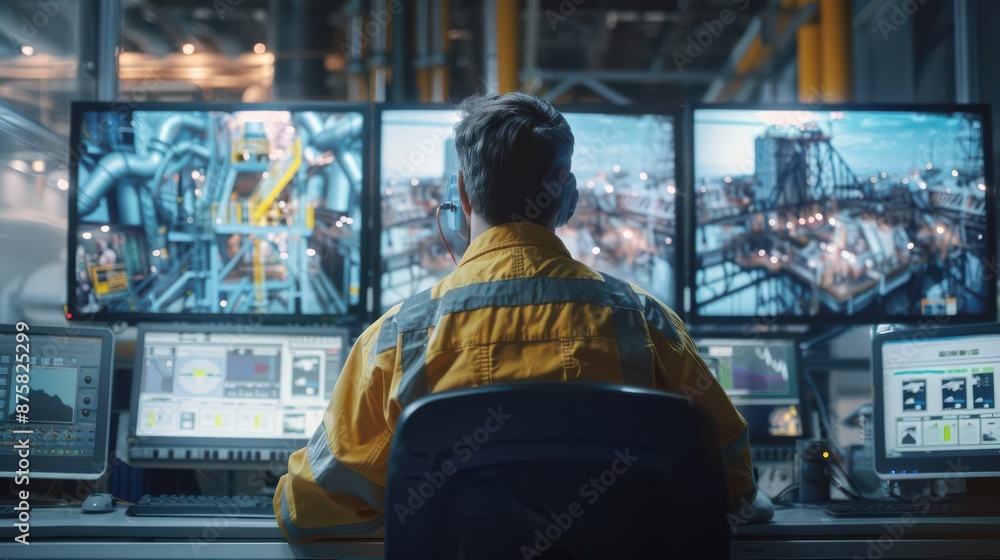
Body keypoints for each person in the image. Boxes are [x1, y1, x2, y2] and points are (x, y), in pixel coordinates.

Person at [273, 92, 773, 543]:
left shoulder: (396, 339)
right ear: (567, 196)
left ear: (463, 196)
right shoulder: (644, 322)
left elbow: (308, 510)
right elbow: (733, 483)